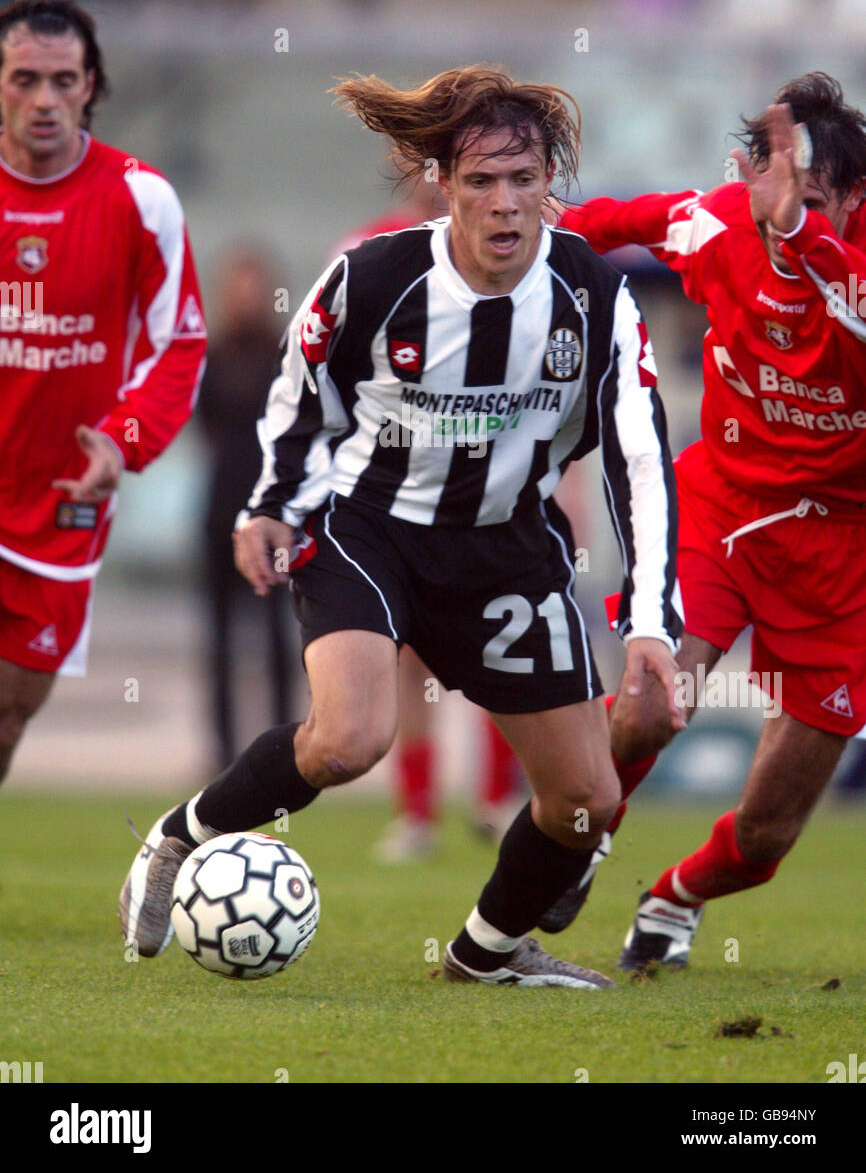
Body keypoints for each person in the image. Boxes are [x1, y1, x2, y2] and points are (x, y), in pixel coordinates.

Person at [120, 64, 681, 988]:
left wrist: (649, 622)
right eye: (480, 182)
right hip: (368, 526)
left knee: (585, 802)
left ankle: (485, 956)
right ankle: (182, 837)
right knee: (348, 739)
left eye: (525, 180)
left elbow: (639, 459)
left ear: (551, 183)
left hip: (507, 546)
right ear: (443, 184)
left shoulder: (595, 295)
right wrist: (269, 506)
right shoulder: (372, 277)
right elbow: (302, 405)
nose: (505, 205)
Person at [545, 72, 866, 967]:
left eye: (813, 201)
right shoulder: (722, 221)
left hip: (844, 553)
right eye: (775, 194)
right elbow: (609, 223)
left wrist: (801, 235)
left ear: (854, 199)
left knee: (766, 834)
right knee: (650, 706)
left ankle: (675, 898)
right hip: (722, 509)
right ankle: (582, 837)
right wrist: (506, 237)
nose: (783, 216)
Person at [0, 0, 206, 783]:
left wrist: (125, 441)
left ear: (90, 85)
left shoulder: (139, 197)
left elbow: (180, 339)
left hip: (62, 497)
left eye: (62, 80)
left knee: (12, 708)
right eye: (24, 79)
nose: (44, 99)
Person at [326, 164, 524, 860]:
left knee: (500, 648)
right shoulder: (366, 251)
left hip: (492, 494)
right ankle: (418, 814)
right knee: (407, 664)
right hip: (395, 497)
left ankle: (496, 802)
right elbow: (329, 375)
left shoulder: (505, 250)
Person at [197, 246, 295, 771]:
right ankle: (221, 751)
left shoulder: (284, 357)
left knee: (280, 636)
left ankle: (282, 748)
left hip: (273, 512)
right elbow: (204, 426)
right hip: (220, 508)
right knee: (219, 637)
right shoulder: (211, 358)